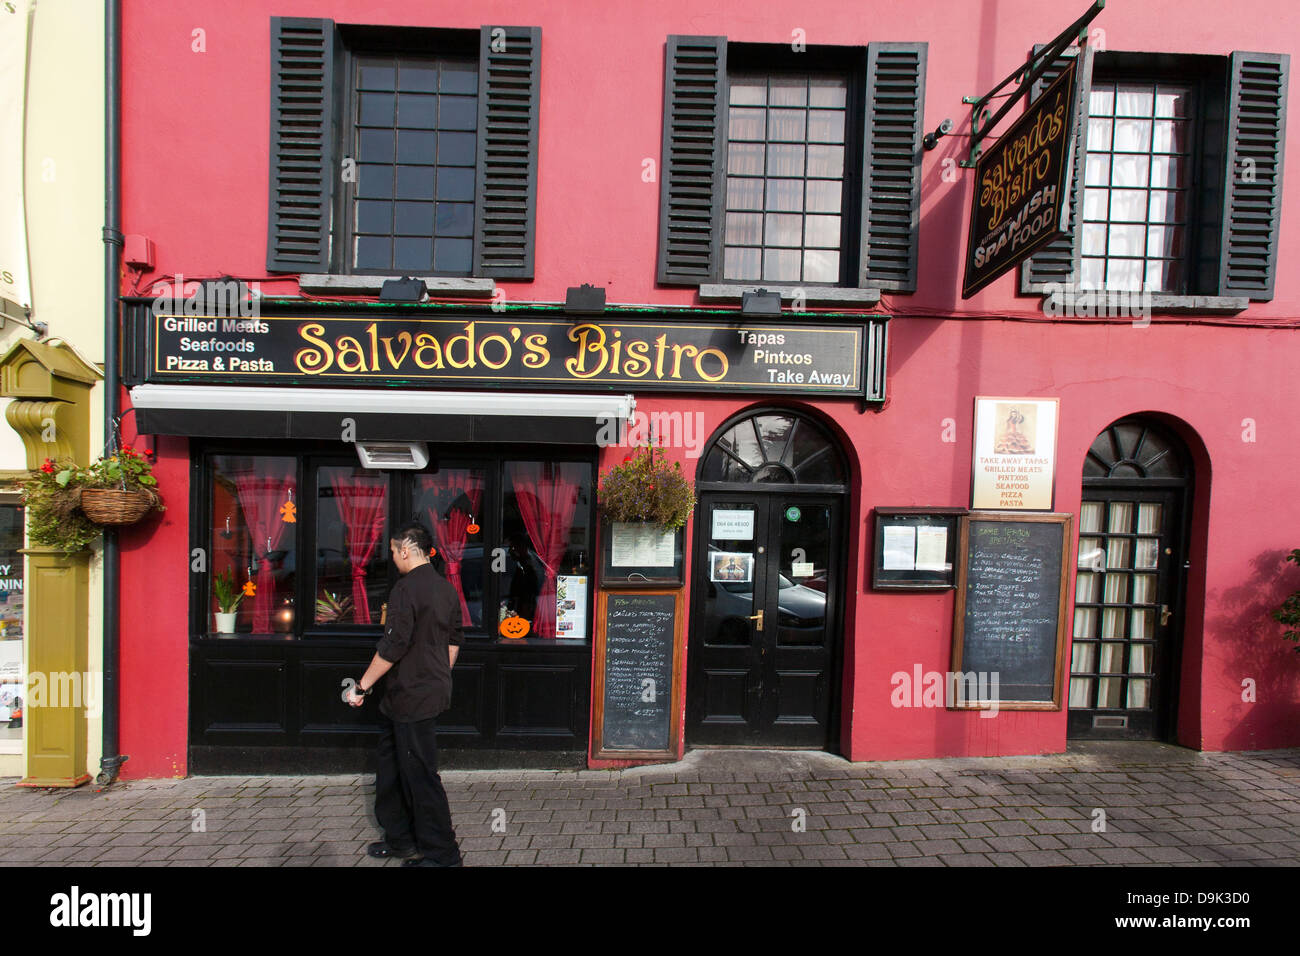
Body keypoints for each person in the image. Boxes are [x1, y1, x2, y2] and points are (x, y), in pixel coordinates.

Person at [346, 521, 463, 867]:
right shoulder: (446, 588)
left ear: (407, 550)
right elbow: (454, 640)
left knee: (421, 774)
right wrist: (439, 673)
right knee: (392, 767)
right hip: (410, 695)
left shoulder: (405, 589)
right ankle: (401, 839)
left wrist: (361, 686)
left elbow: (394, 644)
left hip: (413, 696)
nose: (394, 558)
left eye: (395, 552)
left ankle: (443, 855)